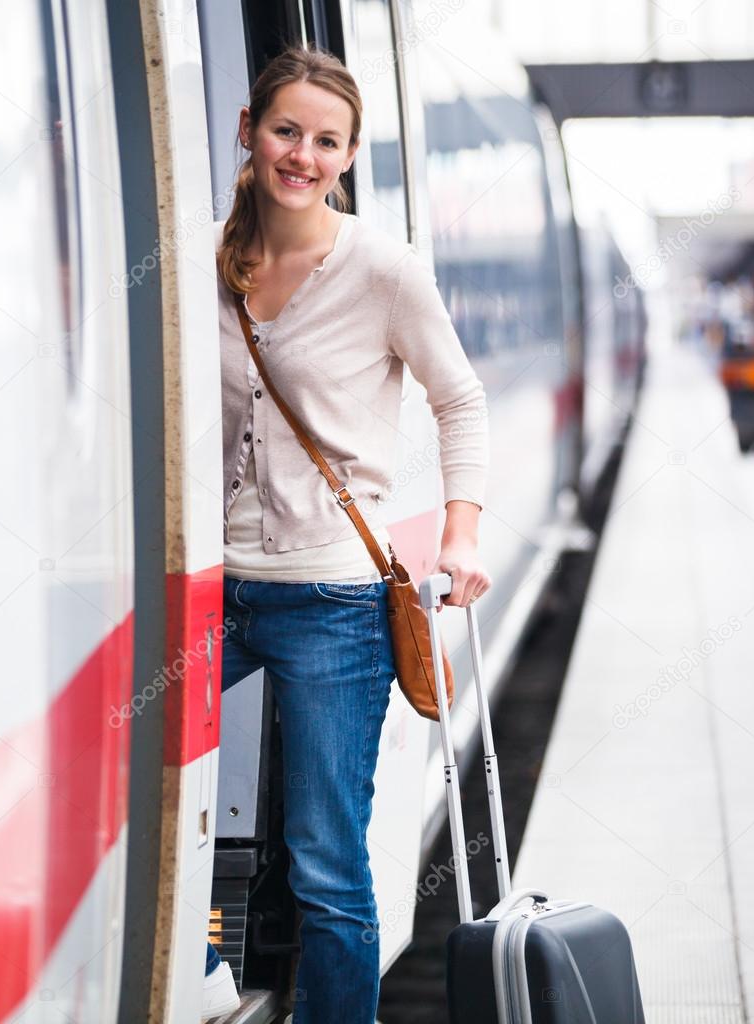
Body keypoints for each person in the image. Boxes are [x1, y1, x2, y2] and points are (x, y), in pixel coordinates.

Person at [202, 45, 491, 1023]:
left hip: (332, 599)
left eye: (326, 141)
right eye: (286, 130)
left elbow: (460, 400)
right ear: (249, 131)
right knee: (182, 834)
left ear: (349, 154)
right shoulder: (204, 259)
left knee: (325, 857)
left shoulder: (381, 268)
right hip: (212, 590)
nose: (302, 154)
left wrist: (459, 534)